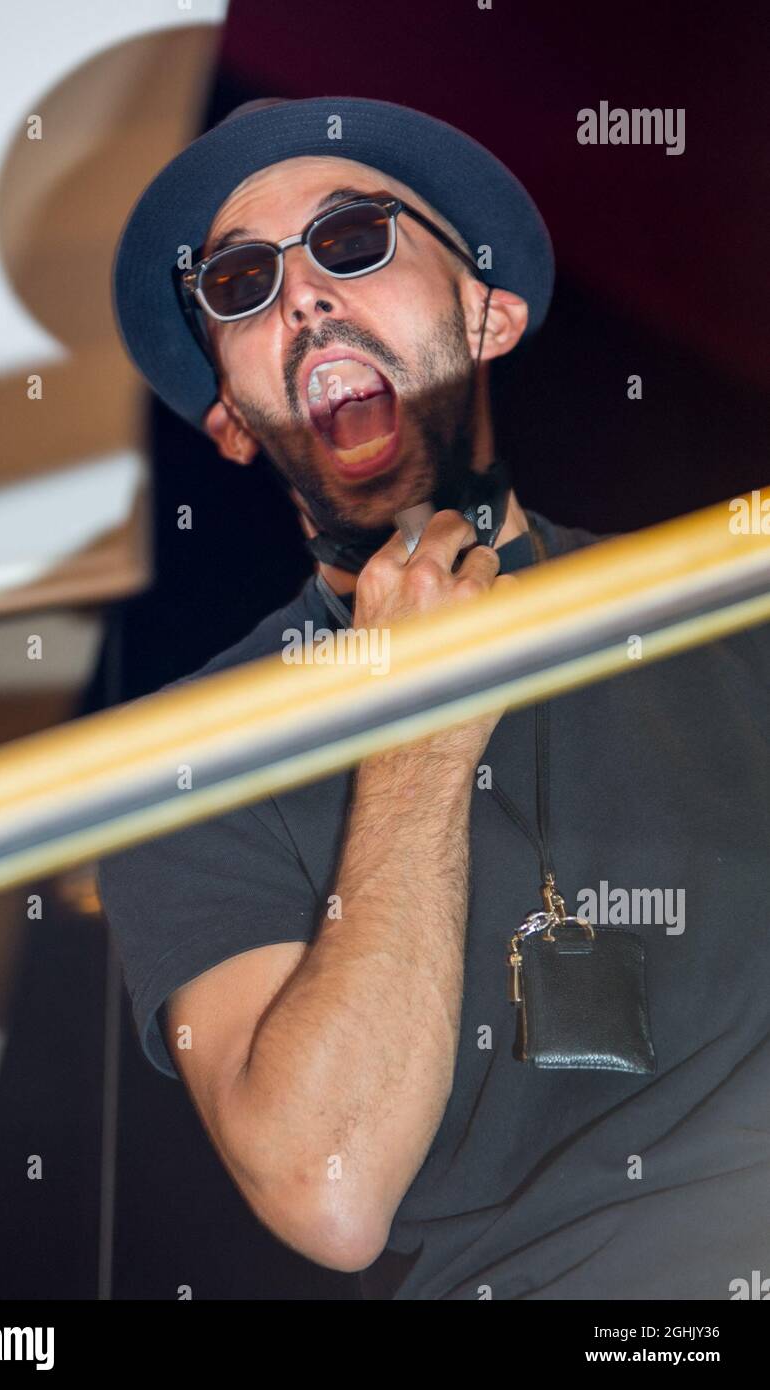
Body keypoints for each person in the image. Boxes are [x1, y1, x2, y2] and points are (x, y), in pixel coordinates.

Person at [99, 96, 770, 1300]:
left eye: (351, 239)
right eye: (242, 282)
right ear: (232, 420)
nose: (300, 296)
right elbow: (329, 1187)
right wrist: (421, 731)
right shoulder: (186, 763)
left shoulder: (727, 607)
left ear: (488, 311)